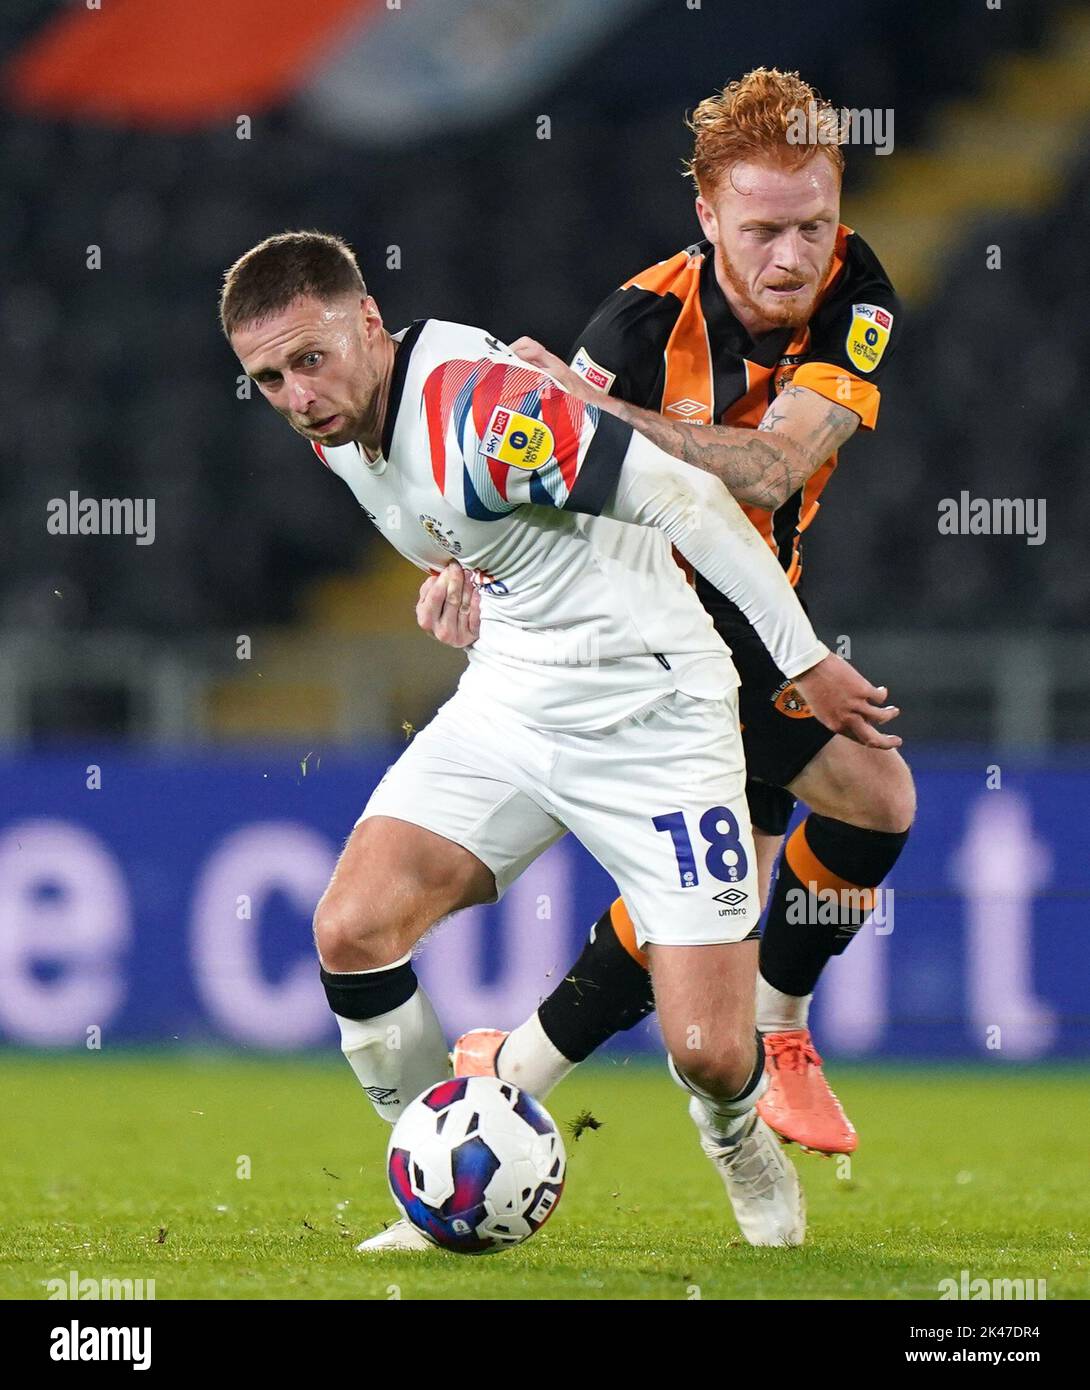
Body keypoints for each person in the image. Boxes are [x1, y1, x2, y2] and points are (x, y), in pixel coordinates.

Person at [220, 229, 900, 1251]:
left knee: (712, 1050)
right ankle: (442, 1180)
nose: (294, 393)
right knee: (352, 928)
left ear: (368, 322)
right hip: (514, 699)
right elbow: (486, 530)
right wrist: (463, 584)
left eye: (309, 360)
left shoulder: (485, 409)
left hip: (658, 718)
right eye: (267, 377)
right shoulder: (337, 430)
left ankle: (732, 1139)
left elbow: (690, 499)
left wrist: (800, 656)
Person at [427, 69, 916, 1157]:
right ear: (706, 217)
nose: (792, 257)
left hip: (751, 608)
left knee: (715, 886)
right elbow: (534, 463)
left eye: (814, 225)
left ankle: (507, 1071)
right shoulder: (640, 319)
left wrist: (595, 408)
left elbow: (776, 467)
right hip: (645, 623)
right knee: (865, 803)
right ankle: (773, 1032)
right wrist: (462, 561)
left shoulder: (859, 292)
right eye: (762, 231)